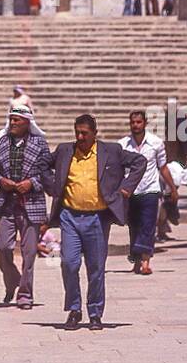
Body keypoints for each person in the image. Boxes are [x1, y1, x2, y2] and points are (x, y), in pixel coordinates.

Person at [47, 113, 146, 330]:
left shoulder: (110, 151)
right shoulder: (65, 150)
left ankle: (95, 313)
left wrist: (126, 188)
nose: (80, 137)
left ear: (95, 133)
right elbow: (42, 164)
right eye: (77, 133)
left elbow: (140, 161)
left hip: (97, 218)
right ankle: (74, 309)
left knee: (96, 267)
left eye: (85, 133)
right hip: (70, 216)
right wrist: (52, 186)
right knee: (69, 263)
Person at [0, 104, 52, 310]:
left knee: (29, 252)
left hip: (31, 204)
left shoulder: (40, 144)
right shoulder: (3, 142)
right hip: (7, 203)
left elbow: (48, 172)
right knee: (3, 247)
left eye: (17, 120)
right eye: (11, 119)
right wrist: (0, 181)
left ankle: (25, 294)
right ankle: (13, 279)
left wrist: (31, 183)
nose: (12, 123)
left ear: (27, 122)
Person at [118, 109, 179, 274]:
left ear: (145, 123)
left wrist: (172, 188)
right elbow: (118, 169)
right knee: (134, 226)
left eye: (138, 122)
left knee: (148, 226)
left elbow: (163, 167)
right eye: (133, 122)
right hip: (131, 192)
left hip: (150, 190)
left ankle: (146, 263)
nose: (135, 125)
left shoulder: (156, 143)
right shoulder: (123, 144)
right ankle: (136, 262)